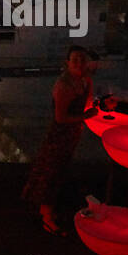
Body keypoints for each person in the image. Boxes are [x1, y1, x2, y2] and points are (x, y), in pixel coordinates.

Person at [22, 45, 95, 236]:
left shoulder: (84, 80)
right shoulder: (64, 86)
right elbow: (60, 118)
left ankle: (46, 211)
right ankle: (46, 217)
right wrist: (85, 117)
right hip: (60, 135)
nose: (80, 63)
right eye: (75, 59)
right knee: (52, 172)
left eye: (82, 59)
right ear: (67, 63)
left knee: (58, 171)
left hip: (72, 135)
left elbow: (86, 103)